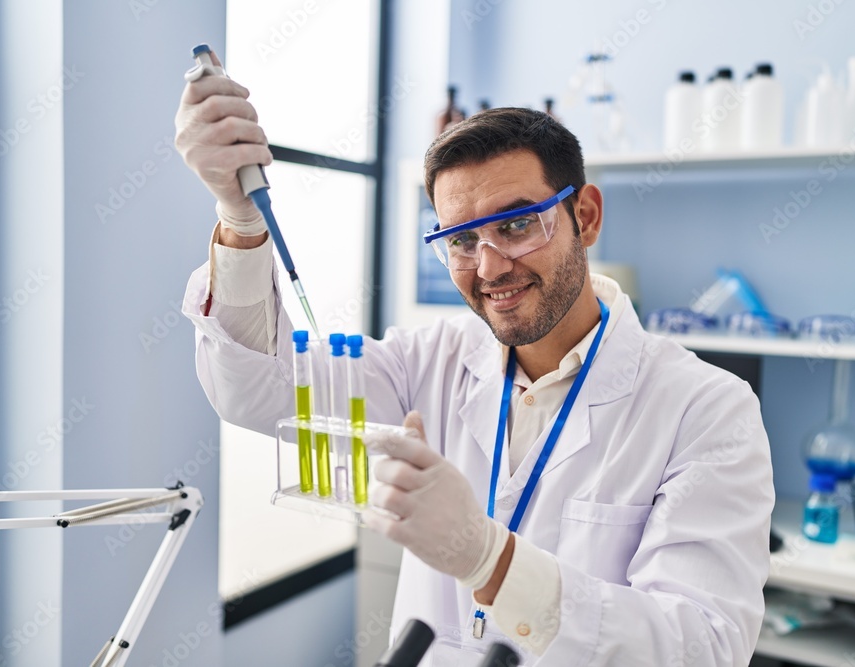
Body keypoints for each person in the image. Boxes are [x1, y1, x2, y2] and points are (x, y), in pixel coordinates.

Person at [176, 50, 774, 665]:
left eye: (515, 225)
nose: (489, 267)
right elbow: (259, 391)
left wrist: (488, 558)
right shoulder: (427, 362)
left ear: (585, 216)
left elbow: (701, 647)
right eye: (460, 240)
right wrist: (239, 215)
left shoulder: (706, 411)